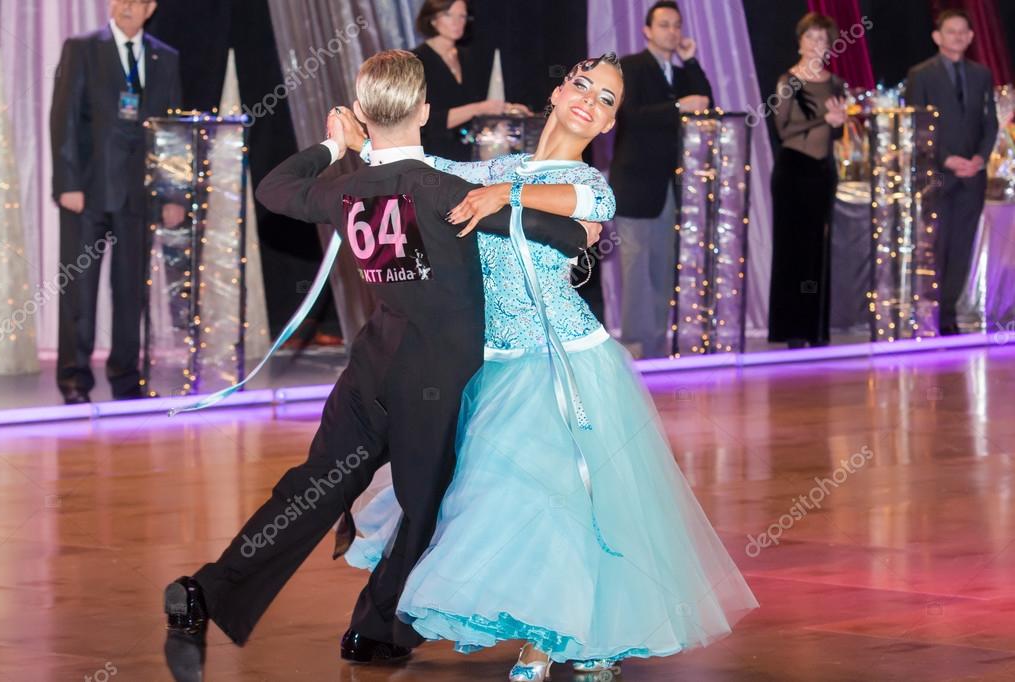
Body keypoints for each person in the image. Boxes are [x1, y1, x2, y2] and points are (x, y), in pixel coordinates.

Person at [159, 50, 594, 682]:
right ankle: (376, 633)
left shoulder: (345, 186)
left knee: (309, 489)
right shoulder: (446, 190)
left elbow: (273, 189)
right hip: (435, 377)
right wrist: (562, 216)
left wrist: (334, 149)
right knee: (424, 505)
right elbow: (568, 236)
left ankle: (207, 591)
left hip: (371, 366)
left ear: (362, 114)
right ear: (423, 110)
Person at [337, 53, 757, 682]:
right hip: (494, 364)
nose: (590, 100)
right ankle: (561, 625)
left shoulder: (591, 187)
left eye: (607, 100)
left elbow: (562, 208)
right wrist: (363, 145)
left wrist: (492, 192)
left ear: (610, 123)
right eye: (583, 85)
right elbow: (420, 170)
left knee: (562, 503)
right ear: (560, 91)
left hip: (563, 363)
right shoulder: (497, 167)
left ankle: (548, 640)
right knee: (501, 508)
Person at [50, 0, 183, 404]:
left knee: (131, 292)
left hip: (138, 195)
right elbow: (64, 118)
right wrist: (67, 182)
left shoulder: (166, 57)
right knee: (79, 291)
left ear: (150, 8)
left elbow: (171, 132)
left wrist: (172, 193)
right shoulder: (82, 47)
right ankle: (74, 377)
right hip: (86, 194)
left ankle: (126, 375)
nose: (126, 6)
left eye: (136, 1)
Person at [609, 0, 713, 359]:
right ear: (647, 31)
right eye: (665, 25)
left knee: (663, 264)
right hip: (635, 182)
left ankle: (656, 341)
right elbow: (631, 115)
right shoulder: (632, 66)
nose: (673, 31)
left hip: (669, 185)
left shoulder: (679, 71)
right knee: (635, 265)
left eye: (677, 25)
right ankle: (635, 344)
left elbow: (706, 101)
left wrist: (692, 60)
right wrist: (677, 107)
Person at [906, 9, 998, 335]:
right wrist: (946, 159)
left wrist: (980, 157)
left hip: (972, 174)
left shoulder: (982, 74)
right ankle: (929, 312)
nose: (958, 36)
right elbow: (917, 125)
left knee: (961, 246)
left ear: (971, 38)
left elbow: (990, 123)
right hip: (938, 174)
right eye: (951, 31)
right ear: (937, 37)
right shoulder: (921, 75)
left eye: (963, 32)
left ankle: (948, 314)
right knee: (937, 244)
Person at [767, 12, 847, 348]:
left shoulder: (836, 82)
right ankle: (791, 330)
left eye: (822, 39)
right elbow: (783, 130)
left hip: (823, 170)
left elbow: (837, 131)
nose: (817, 44)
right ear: (800, 42)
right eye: (811, 37)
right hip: (793, 169)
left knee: (819, 249)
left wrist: (839, 121)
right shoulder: (789, 80)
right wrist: (822, 118)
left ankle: (816, 329)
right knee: (791, 249)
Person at [413, 0, 530, 161]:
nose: (457, 22)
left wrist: (509, 109)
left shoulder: (469, 57)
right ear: (432, 19)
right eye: (448, 15)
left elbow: (480, 102)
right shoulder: (416, 61)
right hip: (435, 157)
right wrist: (478, 108)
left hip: (472, 154)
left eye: (462, 16)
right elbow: (426, 122)